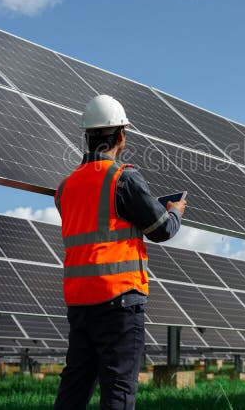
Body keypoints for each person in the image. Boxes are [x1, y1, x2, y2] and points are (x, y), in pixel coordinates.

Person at [53, 94, 186, 410]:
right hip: (119, 301)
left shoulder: (65, 188)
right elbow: (162, 229)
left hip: (79, 303)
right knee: (119, 389)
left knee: (75, 387)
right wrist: (175, 211)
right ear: (122, 135)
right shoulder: (122, 178)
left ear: (86, 136)